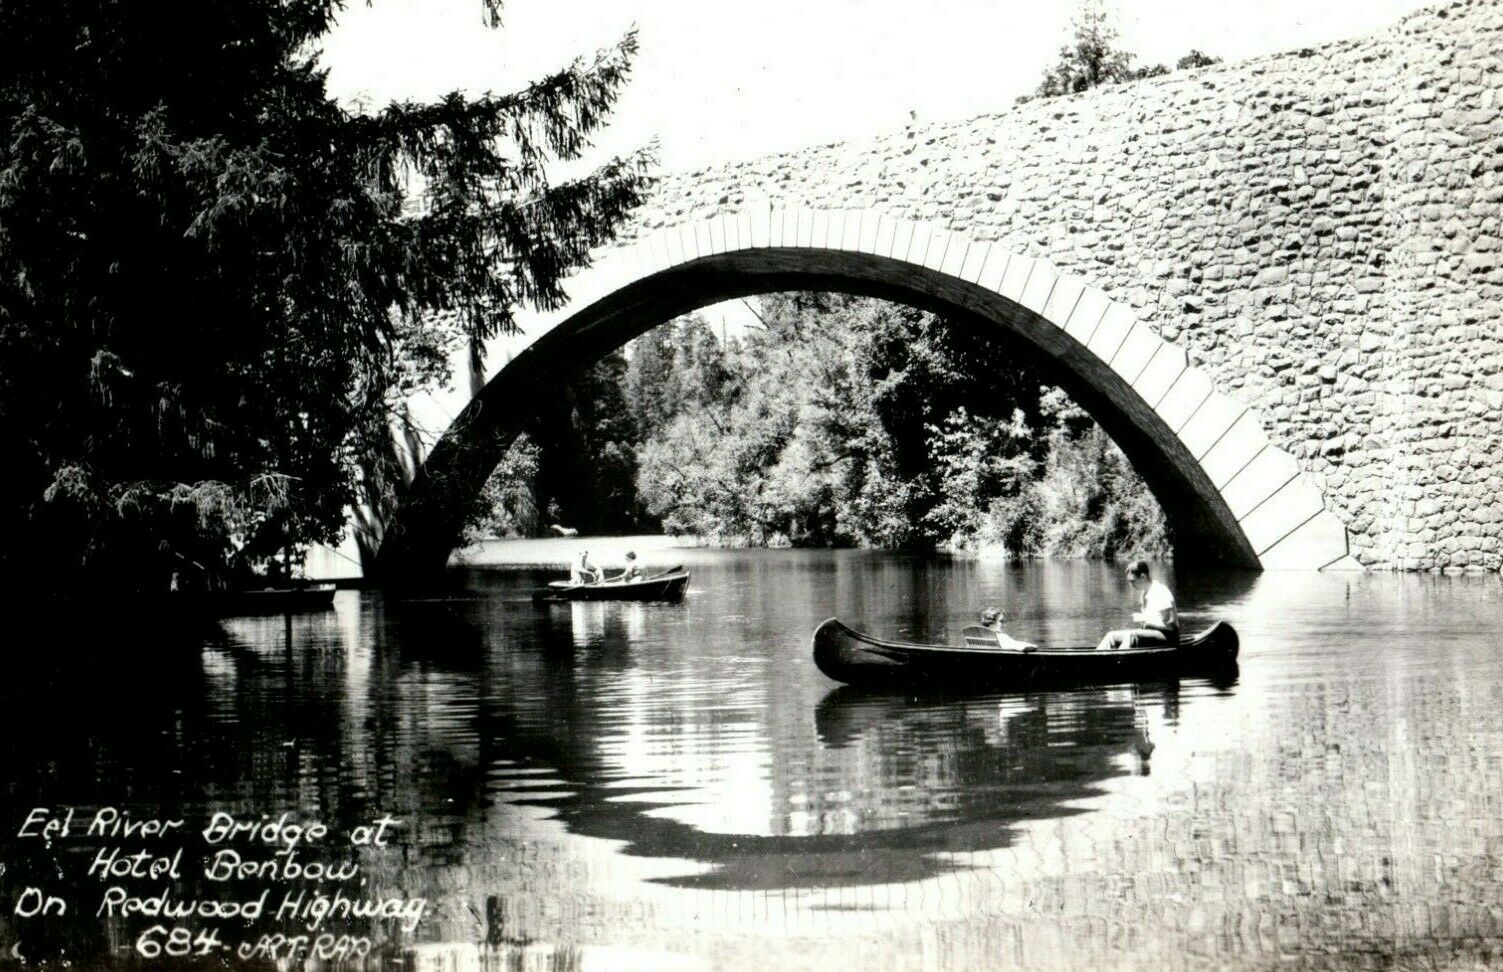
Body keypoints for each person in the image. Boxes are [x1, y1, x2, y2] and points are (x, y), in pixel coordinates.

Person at [1098, 560, 1178, 650]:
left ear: (1143, 577)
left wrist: (1144, 619)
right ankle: (1095, 658)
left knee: (1131, 636)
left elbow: (1170, 626)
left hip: (1169, 638)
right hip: (1151, 634)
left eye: (1133, 581)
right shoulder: (1144, 594)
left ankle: (1117, 661)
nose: (1131, 585)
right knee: (1111, 636)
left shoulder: (1160, 591)